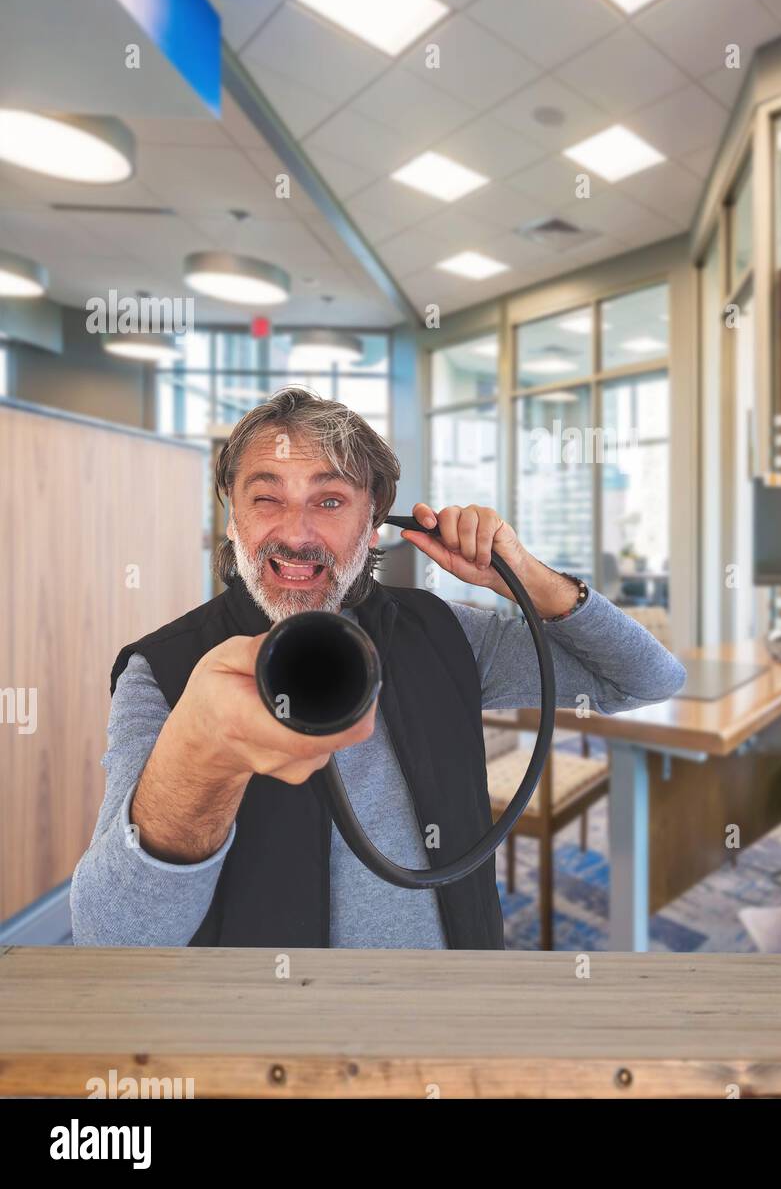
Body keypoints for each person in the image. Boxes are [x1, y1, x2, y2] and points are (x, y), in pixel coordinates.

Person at [70, 387, 686, 949]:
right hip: (269, 1046)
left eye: (330, 500)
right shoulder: (162, 670)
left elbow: (646, 679)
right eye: (266, 499)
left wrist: (525, 576)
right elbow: (112, 938)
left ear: (374, 520)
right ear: (233, 518)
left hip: (446, 1021)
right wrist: (198, 760)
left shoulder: (442, 633)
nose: (296, 532)